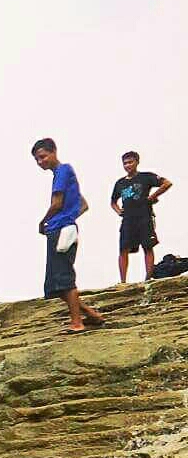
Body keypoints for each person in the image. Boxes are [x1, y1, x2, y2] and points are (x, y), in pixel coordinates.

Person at [31, 138, 105, 334]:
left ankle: (77, 323)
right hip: (64, 227)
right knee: (54, 284)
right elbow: (83, 204)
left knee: (64, 278)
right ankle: (91, 315)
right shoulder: (63, 174)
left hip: (61, 231)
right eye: (37, 159)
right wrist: (69, 217)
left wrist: (43, 221)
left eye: (43, 156)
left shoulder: (63, 171)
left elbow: (57, 203)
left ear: (53, 152)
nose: (40, 162)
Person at [111, 151, 173, 282]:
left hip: (144, 216)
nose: (128, 165)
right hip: (128, 219)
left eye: (130, 162)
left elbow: (167, 183)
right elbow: (113, 201)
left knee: (148, 246)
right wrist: (118, 211)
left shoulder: (146, 177)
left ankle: (148, 278)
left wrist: (153, 196)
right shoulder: (120, 183)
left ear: (137, 162)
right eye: (125, 163)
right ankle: (123, 282)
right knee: (123, 249)